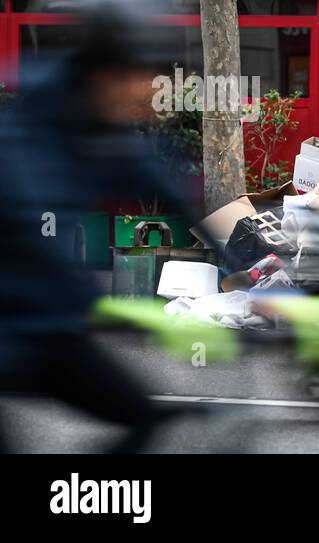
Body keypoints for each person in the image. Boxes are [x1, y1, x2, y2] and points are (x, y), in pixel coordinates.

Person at [0, 0, 203, 453]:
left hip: (49, 328)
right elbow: (37, 236)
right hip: (14, 322)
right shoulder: (25, 137)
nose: (146, 90)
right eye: (138, 75)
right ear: (102, 74)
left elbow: (173, 197)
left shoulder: (101, 130)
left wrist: (255, 274)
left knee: (147, 417)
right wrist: (112, 306)